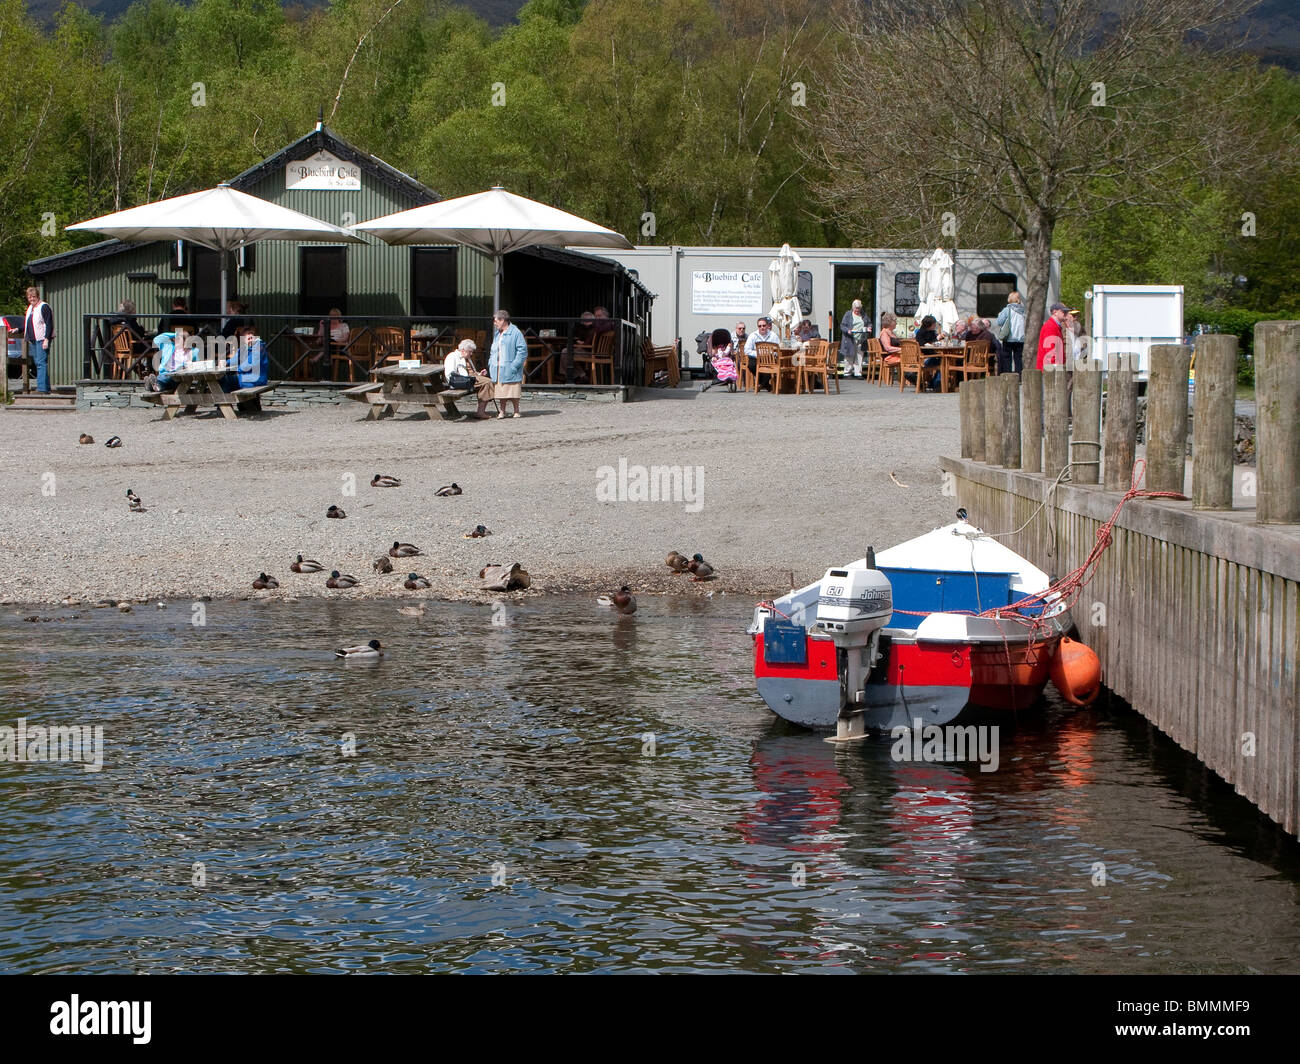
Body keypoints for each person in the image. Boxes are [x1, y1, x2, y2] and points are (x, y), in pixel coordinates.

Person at [489, 309, 527, 419]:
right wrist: (491, 362)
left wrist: (514, 365)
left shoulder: (515, 332)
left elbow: (522, 350)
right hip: (498, 367)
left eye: (496, 321)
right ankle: (502, 411)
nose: (495, 323)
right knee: (501, 390)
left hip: (509, 366)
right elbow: (493, 349)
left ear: (503, 320)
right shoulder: (497, 334)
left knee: (513, 389)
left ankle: (516, 410)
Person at [444, 337, 496, 418]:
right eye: (470, 351)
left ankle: (481, 411)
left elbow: (471, 372)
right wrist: (461, 381)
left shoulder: (467, 358)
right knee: (488, 382)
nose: (471, 354)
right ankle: (480, 412)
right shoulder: (452, 356)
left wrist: (479, 374)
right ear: (464, 350)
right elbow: (449, 374)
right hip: (462, 381)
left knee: (488, 382)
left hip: (471, 379)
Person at [22, 286, 54, 393]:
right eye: (30, 297)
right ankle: (46, 387)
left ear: (38, 296)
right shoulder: (30, 308)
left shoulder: (43, 307)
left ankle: (41, 388)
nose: (32, 299)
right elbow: (29, 324)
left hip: (42, 338)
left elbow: (49, 324)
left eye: (33, 297)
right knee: (37, 363)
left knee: (41, 363)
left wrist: (46, 339)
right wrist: (18, 329)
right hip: (33, 339)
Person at [219, 324, 267, 392]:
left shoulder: (258, 347)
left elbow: (249, 365)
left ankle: (224, 401)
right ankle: (226, 401)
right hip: (246, 378)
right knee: (223, 380)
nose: (250, 337)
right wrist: (226, 362)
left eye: (251, 335)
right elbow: (235, 359)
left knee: (225, 380)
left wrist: (237, 369)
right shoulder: (244, 348)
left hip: (255, 379)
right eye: (247, 336)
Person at [152, 326, 194, 392]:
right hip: (165, 374)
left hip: (179, 377)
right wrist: (175, 334)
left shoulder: (190, 351)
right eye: (175, 339)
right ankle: (154, 385)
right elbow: (157, 339)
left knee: (165, 382)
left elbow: (193, 364)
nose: (176, 340)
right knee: (162, 380)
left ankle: (153, 385)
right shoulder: (168, 346)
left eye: (179, 339)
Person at [994, 291, 1026, 374]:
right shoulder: (1022, 310)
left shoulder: (1007, 310)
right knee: (1018, 359)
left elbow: (999, 322)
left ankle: (1007, 375)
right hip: (1020, 338)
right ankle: (1019, 377)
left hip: (1009, 338)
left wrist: (999, 315)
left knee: (1007, 358)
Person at [744, 315, 780, 385]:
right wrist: (759, 354)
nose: (762, 328)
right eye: (760, 326)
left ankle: (762, 384)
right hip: (756, 358)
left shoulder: (773, 335)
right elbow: (747, 350)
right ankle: (765, 385)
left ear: (767, 326)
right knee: (751, 365)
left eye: (764, 325)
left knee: (774, 366)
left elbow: (778, 349)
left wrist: (769, 354)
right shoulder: (753, 335)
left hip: (770, 359)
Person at [1036, 302, 1070, 370]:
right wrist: (1055, 368)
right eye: (1064, 311)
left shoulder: (1055, 326)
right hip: (1049, 370)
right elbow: (1051, 350)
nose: (1066, 314)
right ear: (1055, 312)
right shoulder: (1051, 327)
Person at [839, 299, 868, 378]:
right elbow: (842, 326)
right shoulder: (848, 314)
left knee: (859, 356)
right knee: (849, 355)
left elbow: (869, 323)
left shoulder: (864, 315)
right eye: (856, 308)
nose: (857, 310)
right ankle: (847, 372)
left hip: (861, 338)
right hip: (850, 338)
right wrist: (848, 330)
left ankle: (858, 372)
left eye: (859, 308)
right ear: (853, 307)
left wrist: (869, 328)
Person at [704, 327, 738, 391]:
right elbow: (713, 356)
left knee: (730, 366)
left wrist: (728, 347)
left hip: (726, 361)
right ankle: (724, 375)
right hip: (719, 363)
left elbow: (726, 353)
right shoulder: (715, 352)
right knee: (721, 367)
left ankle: (729, 375)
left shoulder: (724, 350)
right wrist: (713, 357)